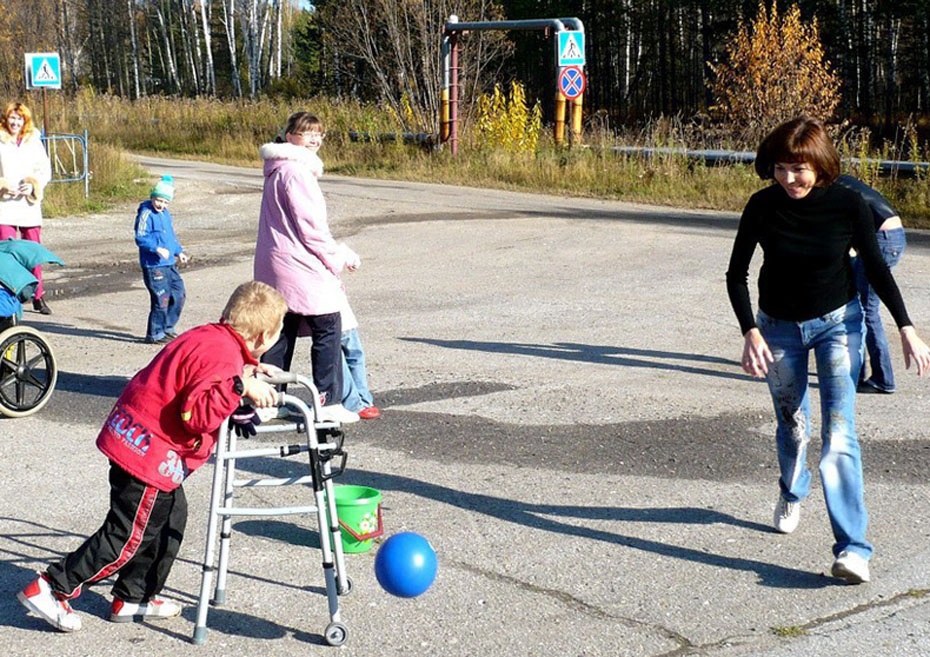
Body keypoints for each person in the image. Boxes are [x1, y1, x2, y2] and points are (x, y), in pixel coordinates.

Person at [725, 116, 930, 585]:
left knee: (840, 435)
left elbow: (877, 269)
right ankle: (791, 491)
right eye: (780, 168)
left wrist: (906, 327)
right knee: (794, 426)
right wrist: (749, 332)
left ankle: (853, 550)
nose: (789, 179)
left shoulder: (848, 205)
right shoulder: (762, 206)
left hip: (839, 326)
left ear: (820, 165)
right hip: (777, 330)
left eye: (799, 169)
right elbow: (736, 274)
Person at [16, 280, 286, 633]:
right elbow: (197, 417)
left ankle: (135, 594)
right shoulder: (224, 358)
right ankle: (53, 587)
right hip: (149, 452)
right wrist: (239, 388)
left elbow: (198, 380)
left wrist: (243, 375)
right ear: (264, 336)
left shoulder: (212, 338)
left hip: (137, 440)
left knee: (171, 517)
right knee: (128, 533)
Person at [254, 111, 360, 424]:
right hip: (299, 264)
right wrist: (337, 258)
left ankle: (269, 399)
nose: (314, 139)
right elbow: (311, 227)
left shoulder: (276, 170)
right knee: (328, 324)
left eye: (318, 133)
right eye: (306, 132)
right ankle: (327, 401)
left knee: (281, 329)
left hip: (274, 264)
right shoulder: (297, 172)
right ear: (289, 136)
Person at [835, 174, 906, 394]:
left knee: (866, 310)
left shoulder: (829, 188)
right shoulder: (840, 180)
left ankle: (882, 379)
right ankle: (857, 371)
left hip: (882, 238)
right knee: (859, 305)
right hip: (891, 234)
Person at [0, 101, 52, 314]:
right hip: (5, 205)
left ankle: (38, 295)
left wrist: (32, 184)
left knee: (33, 251)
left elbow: (44, 170)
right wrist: (3, 185)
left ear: (25, 121)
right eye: (12, 117)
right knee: (6, 252)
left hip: (28, 204)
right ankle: (9, 297)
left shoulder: (34, 142)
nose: (15, 122)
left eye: (19, 118)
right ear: (6, 119)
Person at [134, 175, 189, 344]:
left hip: (169, 264)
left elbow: (170, 237)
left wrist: (179, 251)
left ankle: (168, 327)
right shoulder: (146, 213)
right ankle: (155, 333)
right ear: (152, 197)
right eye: (158, 200)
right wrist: (156, 249)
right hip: (154, 266)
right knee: (161, 299)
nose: (161, 205)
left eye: (165, 202)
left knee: (179, 294)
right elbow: (140, 237)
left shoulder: (165, 214)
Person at [341, 296, 380, 419]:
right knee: (349, 357)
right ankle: (356, 403)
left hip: (334, 311)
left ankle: (362, 401)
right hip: (332, 311)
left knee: (351, 356)